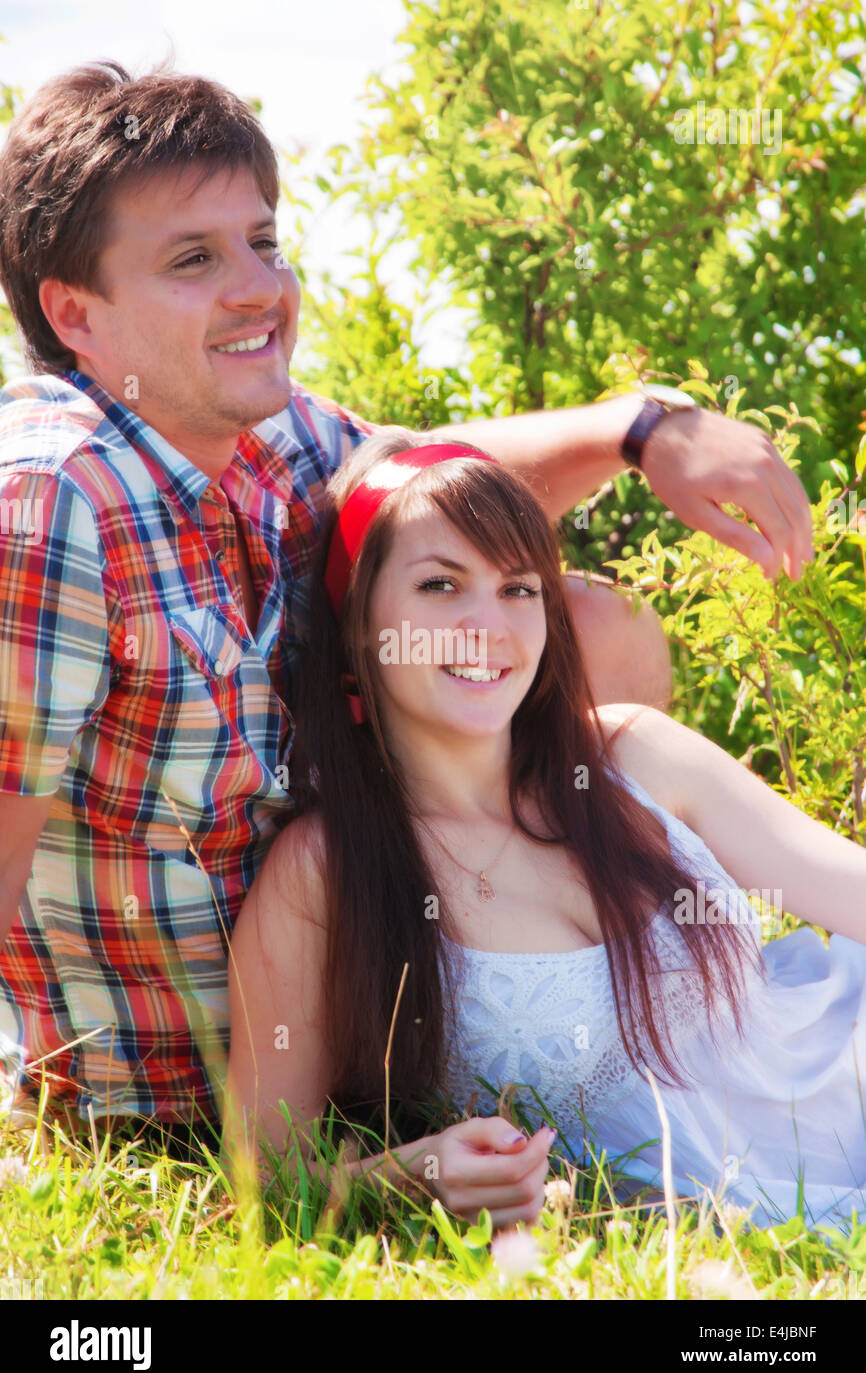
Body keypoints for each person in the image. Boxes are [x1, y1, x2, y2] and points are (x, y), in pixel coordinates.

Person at [0, 60, 813, 1140]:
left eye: (263, 242)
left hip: (359, 1037)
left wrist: (641, 429)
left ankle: (633, 1017)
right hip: (173, 1101)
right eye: (194, 258)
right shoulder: (53, 500)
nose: (258, 288)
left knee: (587, 621)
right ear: (76, 314)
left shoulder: (263, 434)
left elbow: (438, 492)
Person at [225, 431, 866, 1233]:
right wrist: (408, 1173)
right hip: (760, 1217)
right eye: (439, 585)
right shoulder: (329, 869)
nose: (487, 626)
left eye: (518, 589)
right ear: (360, 625)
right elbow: (262, 1171)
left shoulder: (631, 752)